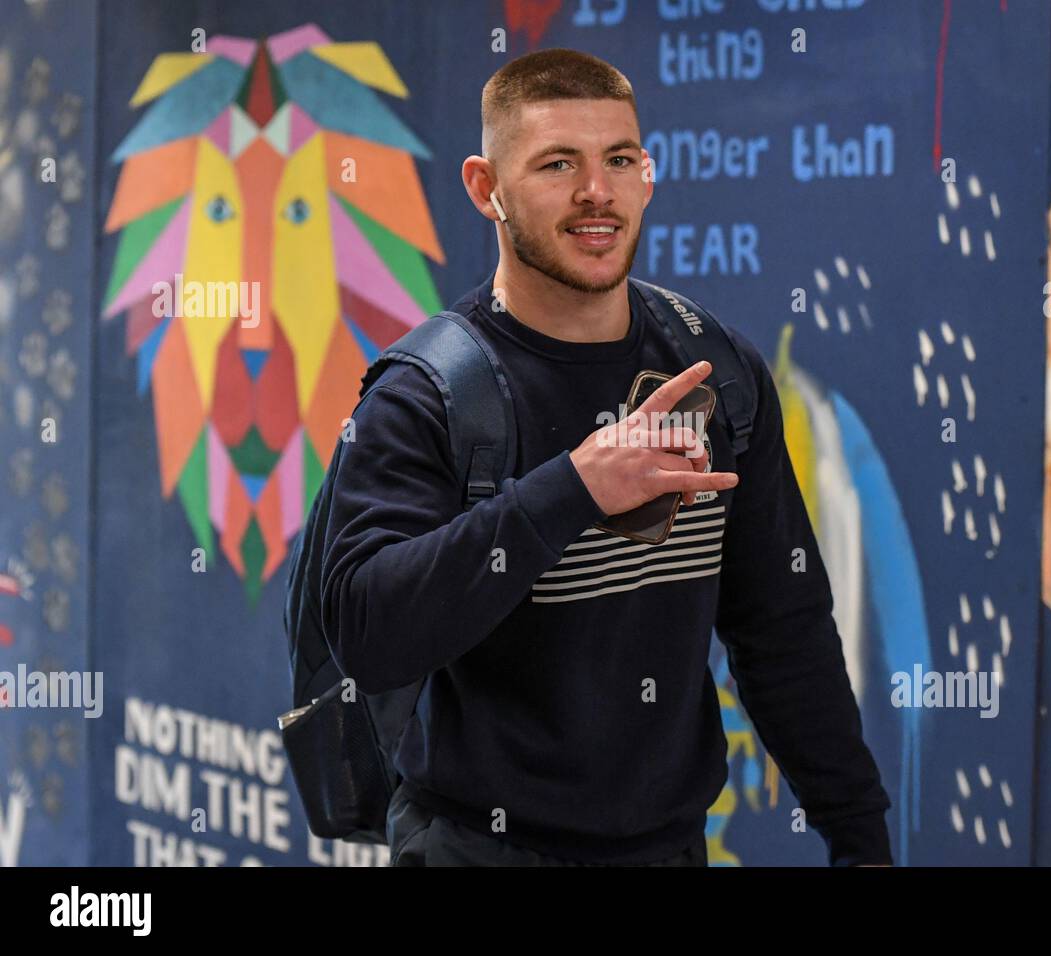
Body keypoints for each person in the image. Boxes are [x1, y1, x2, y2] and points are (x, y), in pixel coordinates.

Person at [320, 48, 892, 867]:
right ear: (486, 188)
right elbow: (369, 633)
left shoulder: (718, 374)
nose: (599, 192)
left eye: (621, 159)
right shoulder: (429, 393)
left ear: (648, 176)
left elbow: (782, 631)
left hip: (667, 851)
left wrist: (859, 835)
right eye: (558, 164)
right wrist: (571, 489)